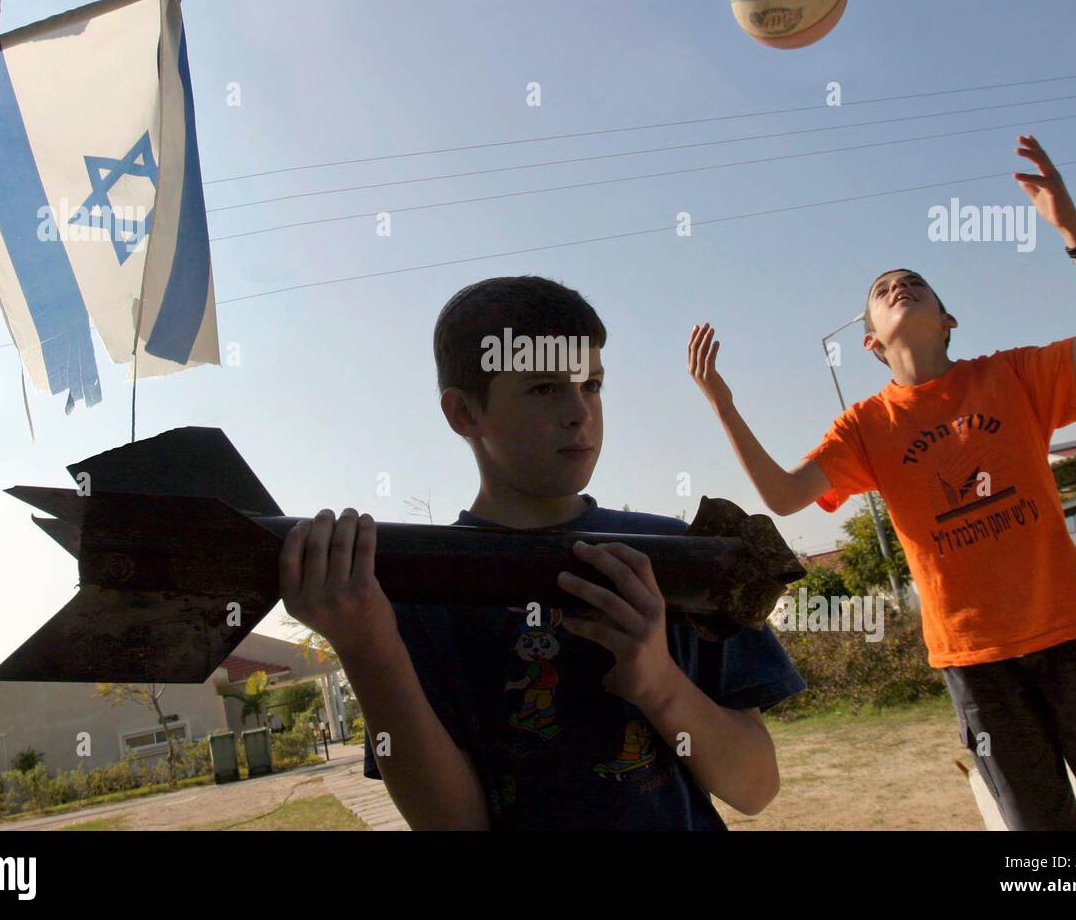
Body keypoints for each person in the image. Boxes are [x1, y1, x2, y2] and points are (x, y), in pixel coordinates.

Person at [688, 134, 1076, 831]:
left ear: (948, 320)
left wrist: (1074, 233)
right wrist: (726, 408)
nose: (898, 285)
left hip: (1072, 636)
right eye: (881, 292)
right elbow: (785, 496)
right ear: (871, 345)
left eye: (914, 281)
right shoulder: (866, 426)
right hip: (976, 662)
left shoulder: (1011, 376)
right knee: (1041, 831)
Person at [280, 275, 804, 829]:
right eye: (544, 388)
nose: (580, 412)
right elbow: (453, 823)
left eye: (593, 386)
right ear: (463, 414)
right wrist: (366, 647)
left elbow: (755, 787)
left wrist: (659, 684)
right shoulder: (413, 592)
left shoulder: (682, 562)